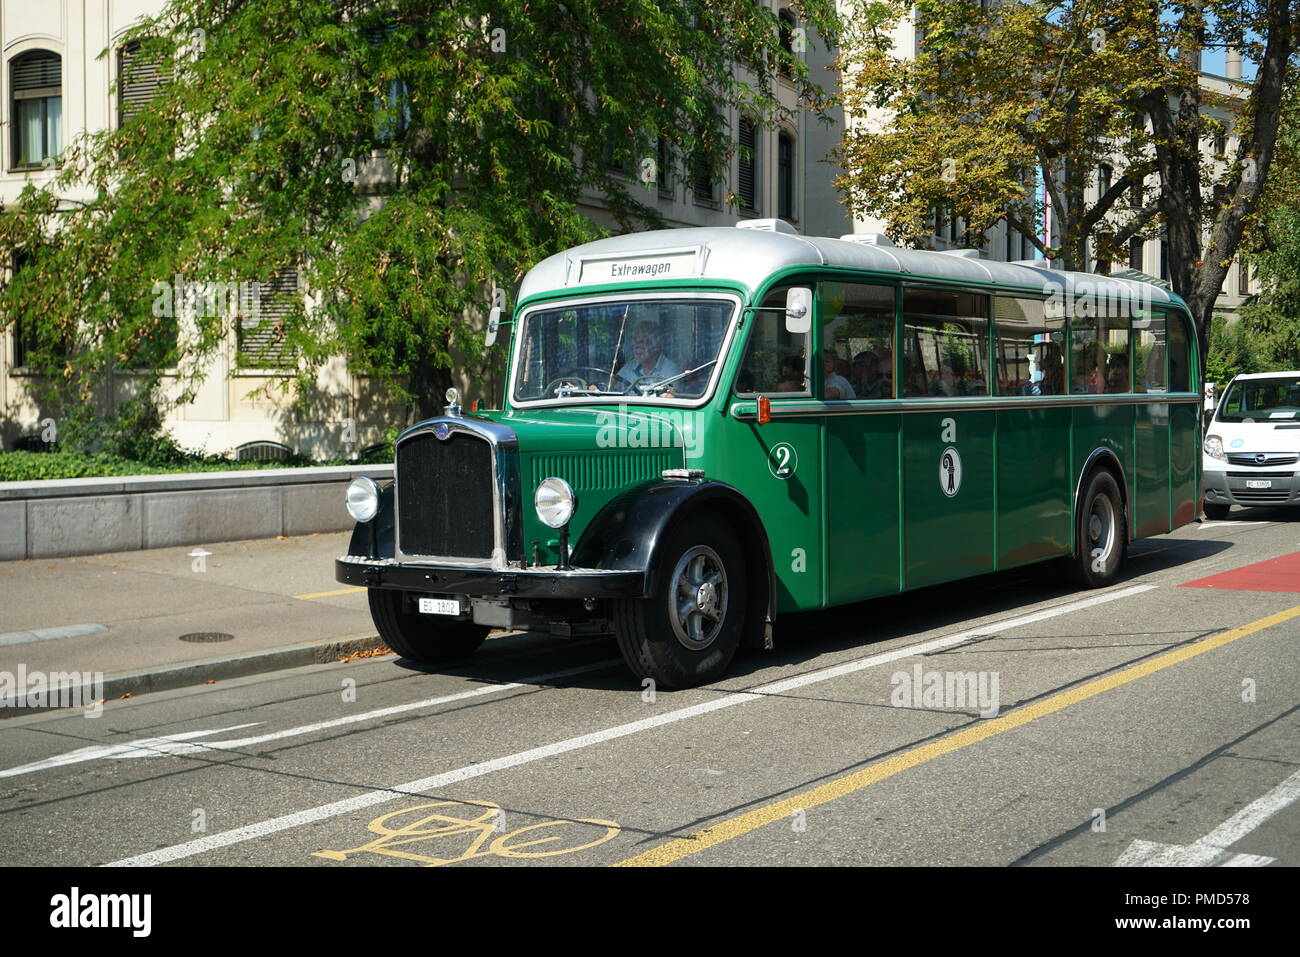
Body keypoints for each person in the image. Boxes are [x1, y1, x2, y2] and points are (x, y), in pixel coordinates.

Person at [615, 319, 682, 387]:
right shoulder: (630, 367)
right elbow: (613, 387)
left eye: (641, 342)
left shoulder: (670, 369)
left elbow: (670, 395)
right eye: (635, 342)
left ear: (656, 345)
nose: (635, 346)